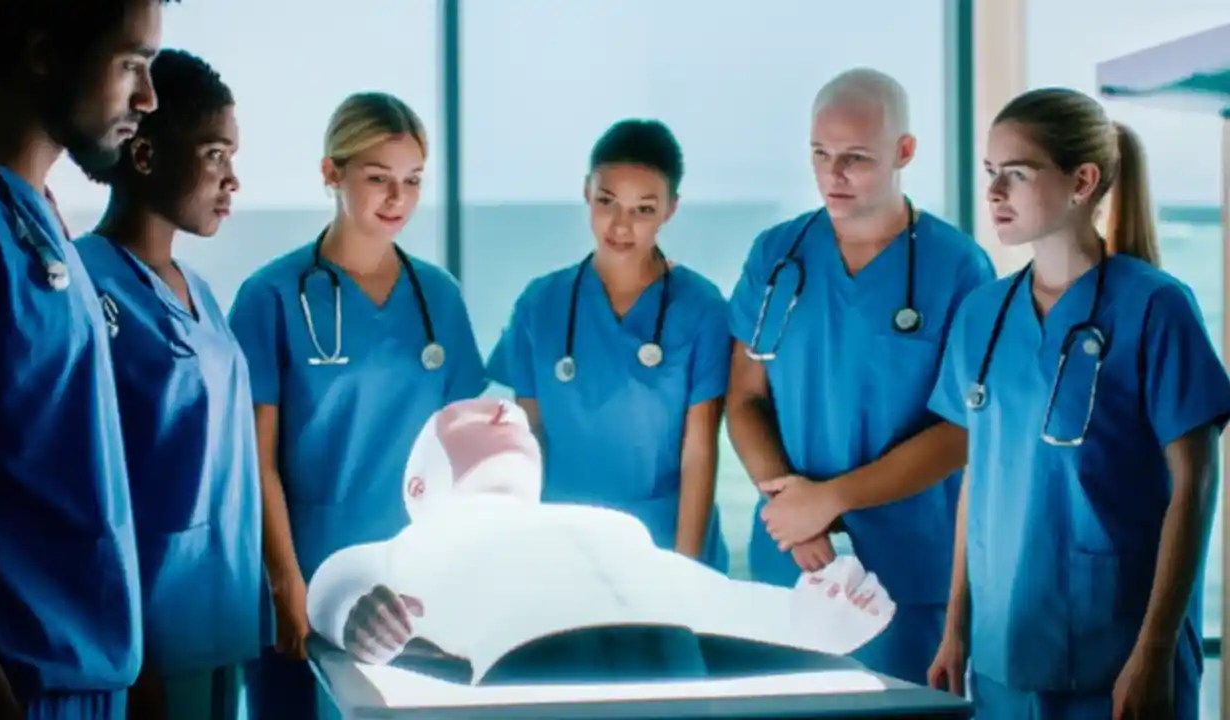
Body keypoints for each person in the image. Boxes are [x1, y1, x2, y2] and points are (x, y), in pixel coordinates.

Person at [925, 87, 1230, 720]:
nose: (994, 192)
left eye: (1018, 173)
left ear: (1082, 181)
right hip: (1002, 654)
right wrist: (957, 627)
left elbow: (1195, 485)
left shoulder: (1154, 306)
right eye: (989, 174)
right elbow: (977, 480)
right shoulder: (982, 313)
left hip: (1118, 656)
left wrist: (1153, 650)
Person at [306, 398, 893, 686]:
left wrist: (794, 618)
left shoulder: (605, 527)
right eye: (470, 415)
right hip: (535, 676)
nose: (502, 410)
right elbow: (338, 576)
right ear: (418, 484)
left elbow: (687, 587)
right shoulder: (422, 537)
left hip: (677, 663)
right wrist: (354, 613)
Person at [724, 67, 996, 684]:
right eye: (820, 155)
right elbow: (744, 395)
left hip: (907, 573)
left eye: (855, 158)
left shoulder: (957, 268)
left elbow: (962, 432)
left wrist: (831, 500)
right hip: (792, 559)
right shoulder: (778, 254)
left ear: (905, 152)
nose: (832, 175)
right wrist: (789, 511)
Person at [228, 92, 487, 719]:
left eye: (412, 181)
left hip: (417, 589)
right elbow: (256, 461)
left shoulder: (438, 297)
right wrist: (286, 582)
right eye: (378, 179)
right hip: (304, 576)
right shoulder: (271, 295)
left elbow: (468, 447)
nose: (397, 198)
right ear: (331, 174)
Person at [0, 1, 170, 718]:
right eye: (130, 65)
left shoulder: (34, 212)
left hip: (84, 680)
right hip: (15, 686)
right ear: (44, 52)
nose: (149, 99)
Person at [73, 49, 259, 720]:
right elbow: (90, 483)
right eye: (215, 155)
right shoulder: (88, 288)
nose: (232, 179)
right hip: (146, 632)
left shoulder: (201, 295)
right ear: (145, 156)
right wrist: (136, 649)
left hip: (222, 615)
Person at [486, 119, 730, 570]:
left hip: (665, 542)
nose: (621, 225)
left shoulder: (701, 308)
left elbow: (700, 452)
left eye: (643, 209)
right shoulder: (540, 305)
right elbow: (528, 441)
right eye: (607, 202)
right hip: (563, 544)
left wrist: (687, 572)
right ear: (586, 192)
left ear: (670, 210)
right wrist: (518, 549)